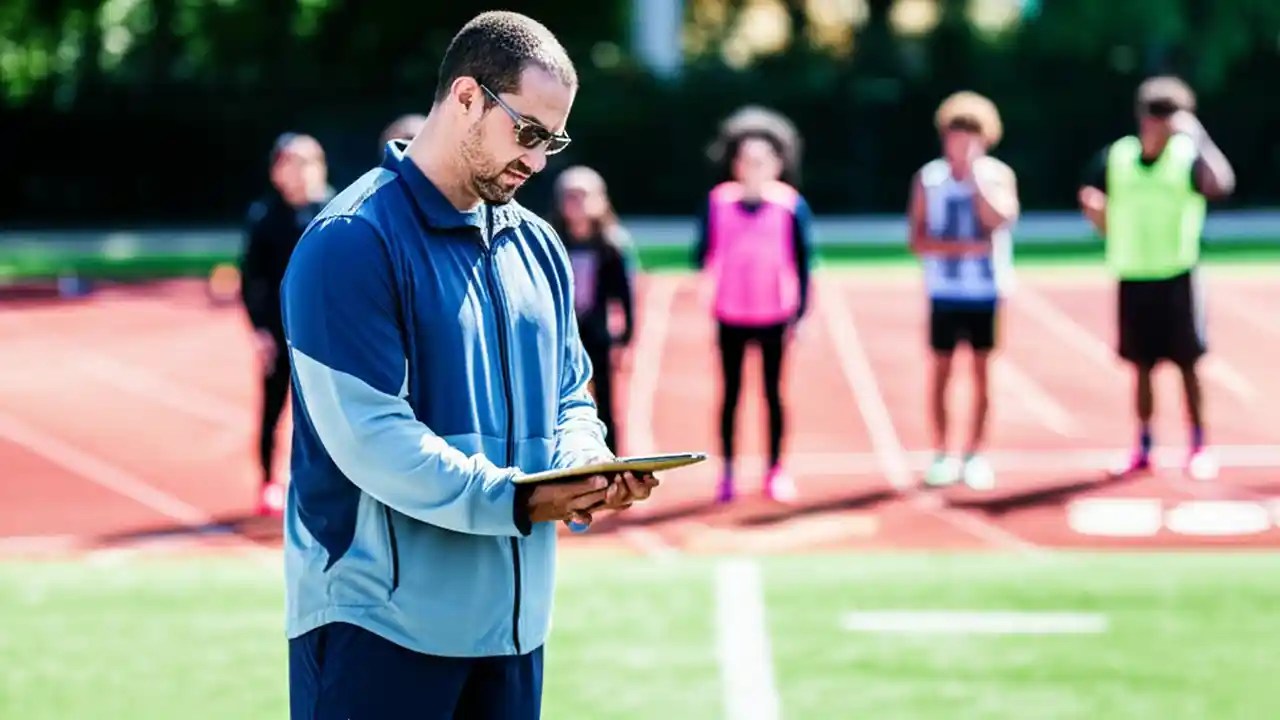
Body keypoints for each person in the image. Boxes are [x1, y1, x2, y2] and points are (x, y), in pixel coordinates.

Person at [279, 11, 660, 719]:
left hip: (513, 636)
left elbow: (570, 392)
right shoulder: (350, 242)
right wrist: (520, 499)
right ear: (465, 98)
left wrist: (583, 465)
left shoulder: (539, 246)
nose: (541, 160)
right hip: (378, 632)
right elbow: (373, 440)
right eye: (528, 132)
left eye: (554, 139)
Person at [1078, 75, 1235, 481]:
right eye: (1155, 115)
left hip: (1177, 274)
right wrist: (1096, 216)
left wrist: (1198, 136)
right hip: (1133, 273)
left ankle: (1199, 444)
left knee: (1188, 365)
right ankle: (1144, 445)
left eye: (1169, 116)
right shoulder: (1118, 156)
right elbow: (1093, 200)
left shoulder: (1188, 158)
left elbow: (1221, 185)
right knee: (1141, 367)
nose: (1159, 124)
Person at [693, 106, 813, 504]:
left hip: (774, 313)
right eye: (746, 160)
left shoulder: (790, 206)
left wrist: (801, 315)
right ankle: (727, 471)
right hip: (730, 313)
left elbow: (804, 262)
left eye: (762, 161)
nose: (753, 167)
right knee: (730, 395)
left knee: (773, 395)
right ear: (735, 164)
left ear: (777, 164)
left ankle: (775, 470)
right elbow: (702, 253)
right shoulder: (718, 203)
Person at [908, 91, 1020, 490]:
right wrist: (961, 248)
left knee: (982, 374)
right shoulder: (929, 178)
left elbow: (1002, 219)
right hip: (944, 290)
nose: (963, 143)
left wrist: (975, 181)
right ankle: (941, 452)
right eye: (957, 134)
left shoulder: (997, 175)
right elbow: (918, 239)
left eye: (972, 135)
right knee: (940, 372)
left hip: (985, 291)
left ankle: (975, 454)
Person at [238, 132, 329, 517]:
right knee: (274, 407)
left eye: (307, 163)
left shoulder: (334, 210)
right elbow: (251, 279)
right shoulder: (265, 218)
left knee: (326, 413)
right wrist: (259, 331)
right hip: (279, 331)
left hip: (323, 333)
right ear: (277, 171)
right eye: (292, 163)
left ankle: (325, 482)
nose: (300, 172)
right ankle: (267, 482)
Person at [548, 165, 635, 455]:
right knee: (556, 401)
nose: (577, 203)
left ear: (600, 199)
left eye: (584, 195)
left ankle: (611, 458)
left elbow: (625, 297)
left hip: (597, 334)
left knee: (607, 402)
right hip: (560, 338)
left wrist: (625, 339)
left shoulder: (611, 246)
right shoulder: (551, 241)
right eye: (570, 196)